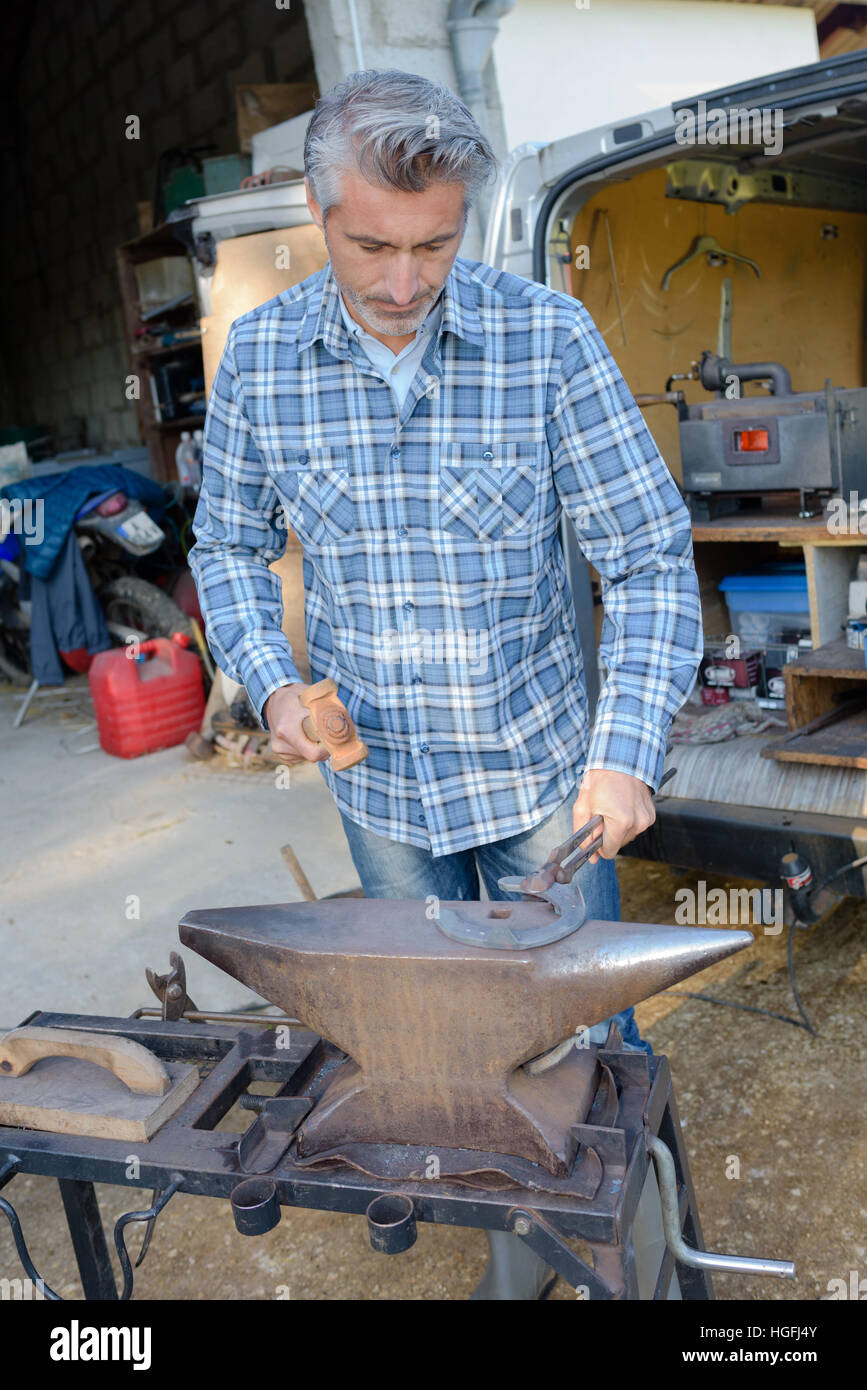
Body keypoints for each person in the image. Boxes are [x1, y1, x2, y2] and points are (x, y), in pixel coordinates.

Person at [189, 68, 703, 1299]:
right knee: (436, 1056)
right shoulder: (263, 360)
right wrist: (272, 689)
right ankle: (513, 1265)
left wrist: (625, 747)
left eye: (437, 242)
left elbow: (646, 552)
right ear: (320, 217)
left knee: (584, 1051)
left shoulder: (548, 340)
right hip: (386, 808)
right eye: (373, 244)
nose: (407, 280)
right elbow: (225, 545)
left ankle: (627, 1262)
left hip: (544, 789)